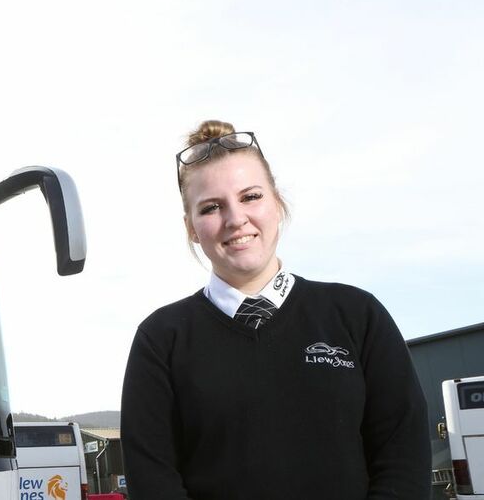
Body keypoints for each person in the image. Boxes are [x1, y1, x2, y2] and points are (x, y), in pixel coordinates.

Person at [120, 120, 430, 499]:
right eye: (212, 207)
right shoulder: (161, 339)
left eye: (251, 197)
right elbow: (152, 480)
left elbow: (403, 457)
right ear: (190, 227)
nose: (236, 220)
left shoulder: (356, 315)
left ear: (277, 202)